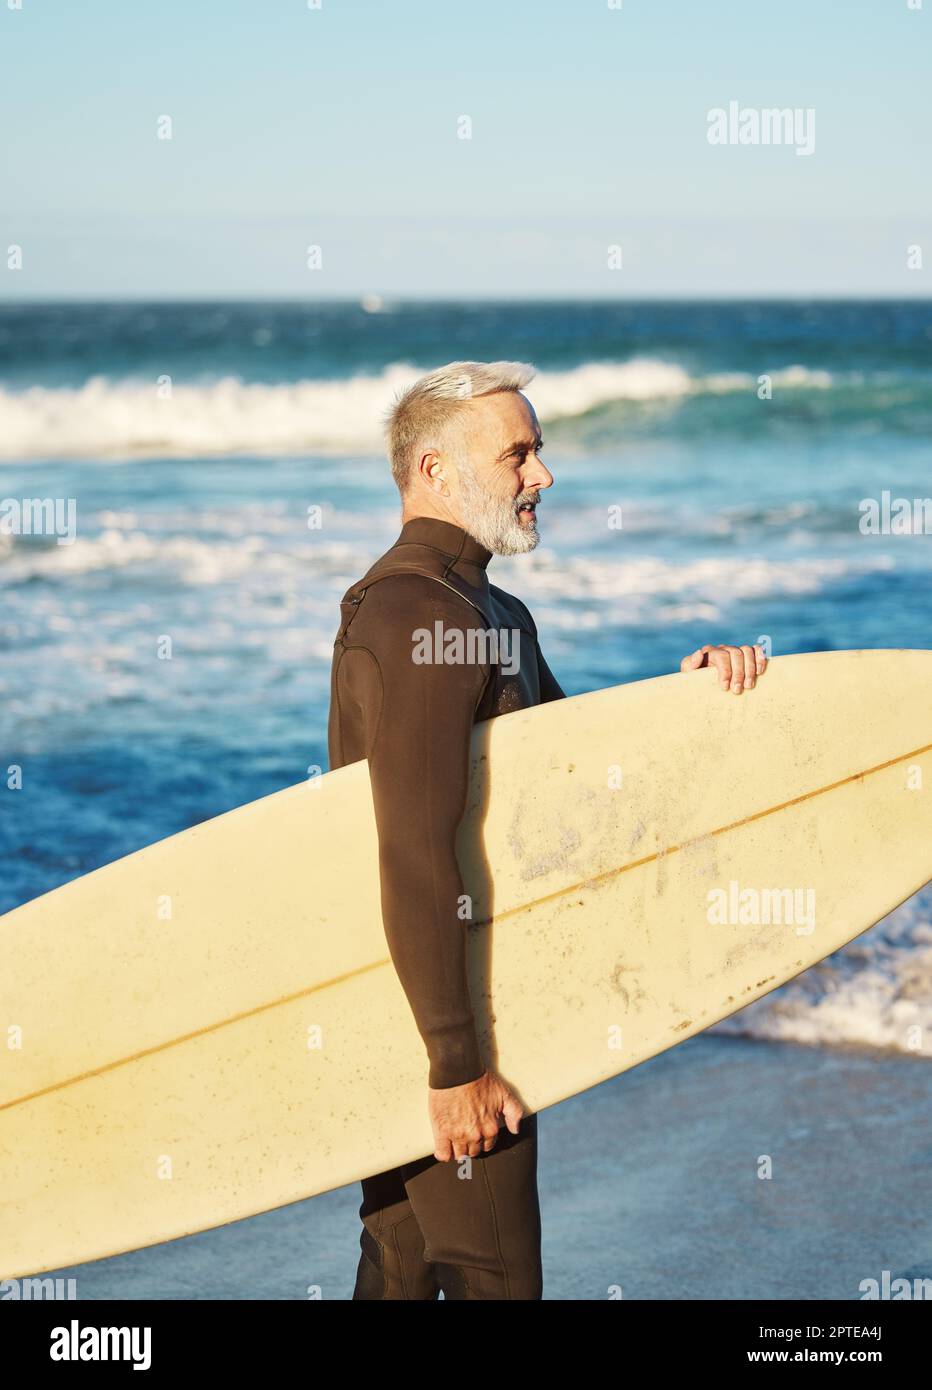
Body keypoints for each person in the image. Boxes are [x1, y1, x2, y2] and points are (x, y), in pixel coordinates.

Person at [327, 360, 767, 1300]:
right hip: (449, 1021)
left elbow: (575, 787)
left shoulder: (490, 612)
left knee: (402, 1267)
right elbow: (411, 844)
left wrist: (691, 702)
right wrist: (455, 1066)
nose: (543, 476)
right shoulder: (416, 612)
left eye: (539, 452)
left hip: (443, 1004)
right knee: (493, 1279)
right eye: (518, 453)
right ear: (436, 470)